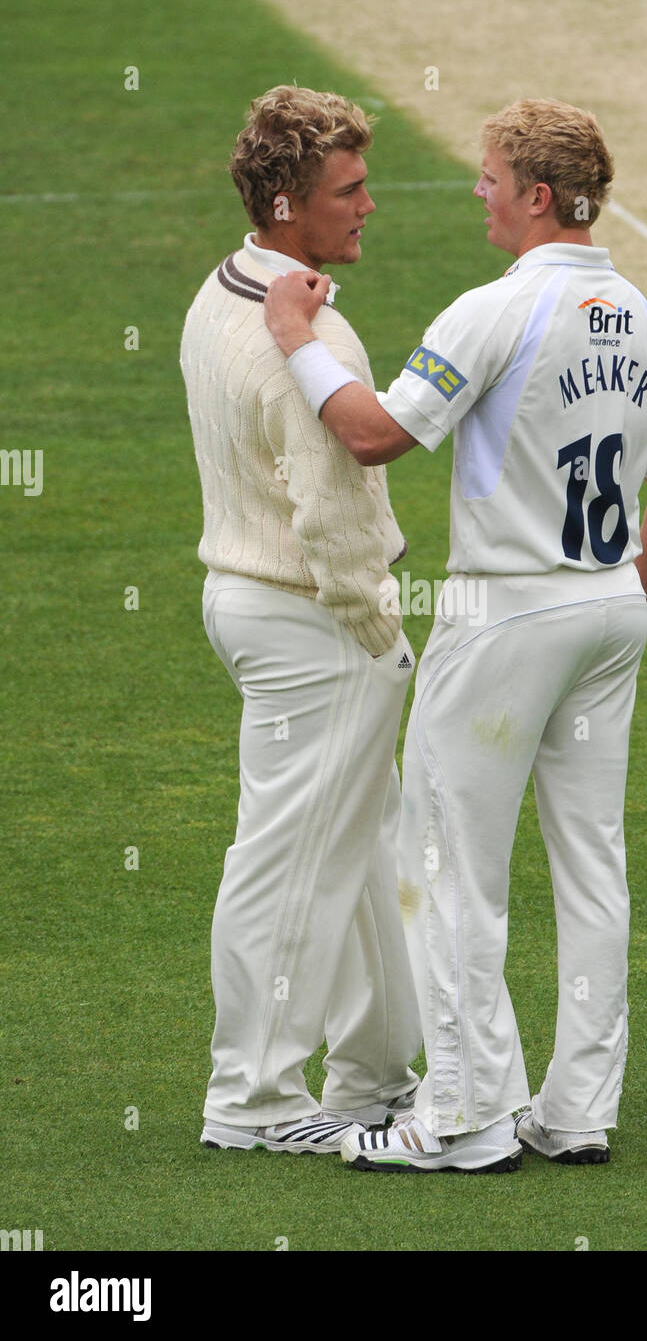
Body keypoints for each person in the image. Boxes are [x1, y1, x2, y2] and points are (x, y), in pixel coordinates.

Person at [263, 97, 647, 1173]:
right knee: (591, 867)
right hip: (606, 606)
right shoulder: (645, 320)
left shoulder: (492, 310)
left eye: (491, 174)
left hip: (505, 608)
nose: (477, 189)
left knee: (443, 858)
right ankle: (575, 1111)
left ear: (538, 195)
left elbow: (374, 434)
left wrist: (292, 336)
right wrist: (606, 610)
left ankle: (459, 1116)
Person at [180, 85, 421, 1154]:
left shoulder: (220, 290)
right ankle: (256, 1101)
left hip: (257, 604)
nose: (368, 205)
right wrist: (374, 622)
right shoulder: (306, 336)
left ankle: (372, 1075)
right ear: (287, 203)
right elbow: (331, 513)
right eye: (349, 189)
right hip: (311, 619)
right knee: (292, 859)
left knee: (359, 843)